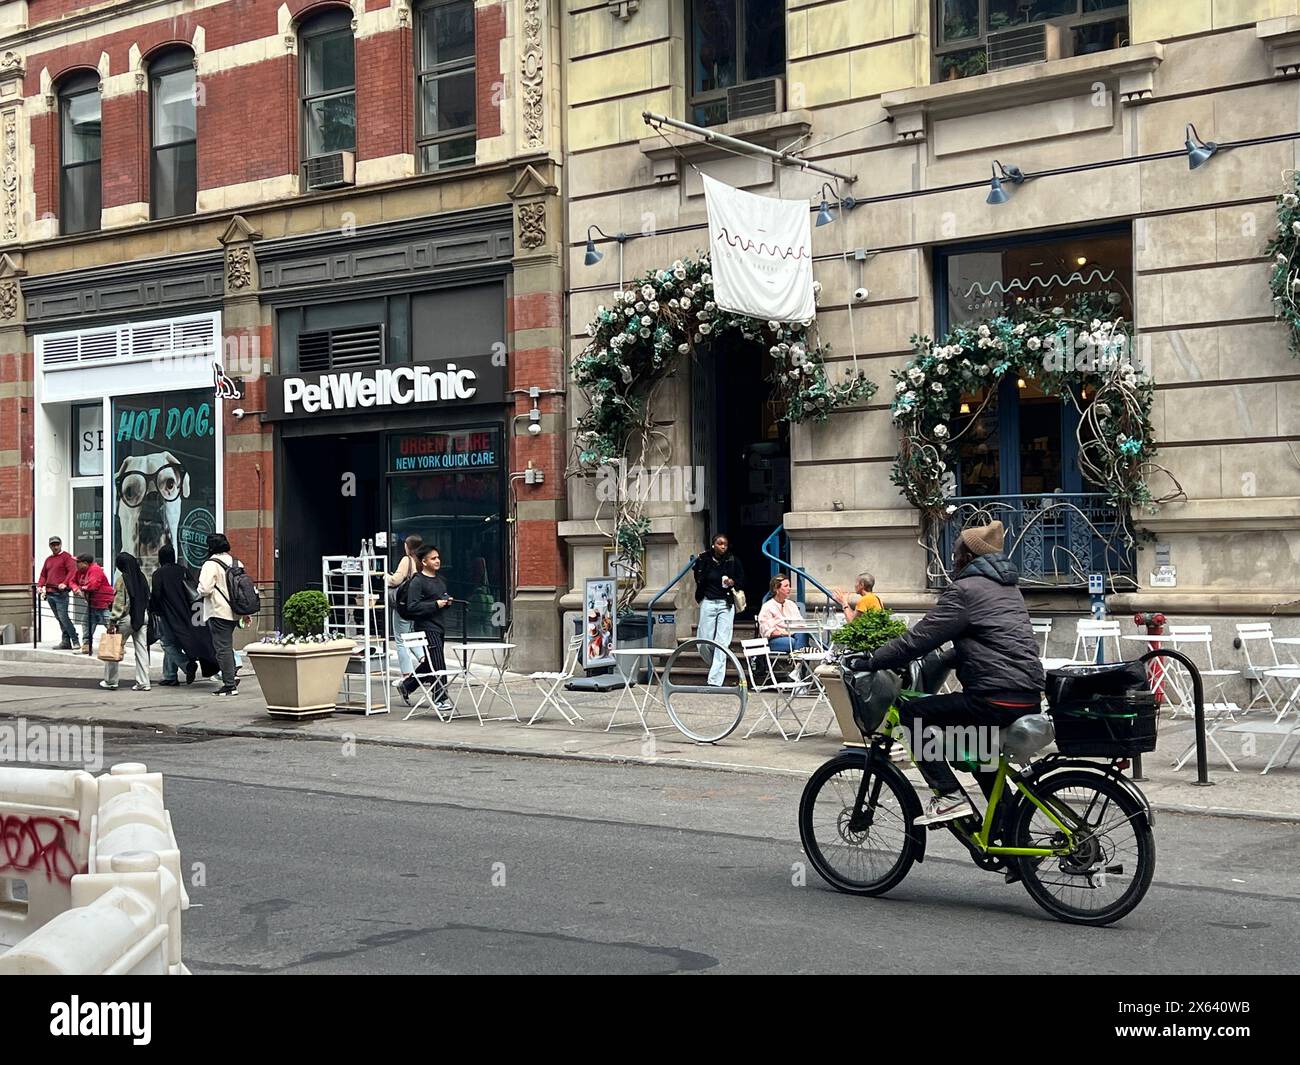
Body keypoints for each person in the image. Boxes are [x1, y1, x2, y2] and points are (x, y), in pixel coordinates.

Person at [856, 520, 1044, 826]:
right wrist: (947, 659)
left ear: (967, 557)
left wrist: (873, 660)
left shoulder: (965, 590)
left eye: (955, 551)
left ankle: (948, 796)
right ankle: (1010, 834)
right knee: (982, 754)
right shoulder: (1008, 589)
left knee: (911, 713)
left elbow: (918, 639)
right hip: (1025, 695)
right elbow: (994, 641)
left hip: (992, 698)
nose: (952, 558)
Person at [149, 545, 220, 686]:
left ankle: (186, 665)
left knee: (168, 643)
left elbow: (156, 596)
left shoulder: (159, 574)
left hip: (167, 615)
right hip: (188, 614)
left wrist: (153, 610)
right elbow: (193, 591)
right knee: (176, 643)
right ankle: (170, 675)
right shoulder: (183, 570)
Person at [398, 544, 454, 712]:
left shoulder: (440, 580)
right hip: (426, 627)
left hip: (439, 625)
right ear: (424, 561)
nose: (437, 561)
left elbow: (440, 601)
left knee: (431, 662)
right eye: (433, 558)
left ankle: (407, 686)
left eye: (438, 557)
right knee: (438, 662)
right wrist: (435, 604)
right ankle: (440, 698)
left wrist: (446, 603)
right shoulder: (417, 581)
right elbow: (412, 607)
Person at [692, 533, 745, 686]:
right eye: (720, 543)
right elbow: (697, 575)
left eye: (725, 544)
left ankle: (714, 681)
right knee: (703, 643)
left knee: (722, 642)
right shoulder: (704, 559)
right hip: (708, 601)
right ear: (713, 545)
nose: (723, 546)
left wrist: (732, 582)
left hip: (725, 604)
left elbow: (742, 580)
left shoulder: (733, 560)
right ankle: (717, 666)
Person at [100, 552, 151, 692]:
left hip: (127, 618)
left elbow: (119, 604)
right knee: (141, 650)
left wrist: (112, 621)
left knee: (114, 646)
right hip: (142, 616)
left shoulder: (122, 580)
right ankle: (143, 682)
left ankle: (111, 681)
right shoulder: (141, 577)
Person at [197, 533, 240, 696]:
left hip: (218, 611)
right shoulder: (236, 562)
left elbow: (205, 589)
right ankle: (231, 677)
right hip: (235, 611)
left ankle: (229, 684)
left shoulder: (210, 564)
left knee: (222, 649)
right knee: (226, 647)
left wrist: (198, 590)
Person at [386, 534, 423, 688]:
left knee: (401, 640)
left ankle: (406, 675)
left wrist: (384, 576)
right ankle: (424, 661)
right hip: (414, 603)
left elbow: (396, 580)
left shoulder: (406, 560)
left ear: (409, 546)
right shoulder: (421, 561)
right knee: (410, 636)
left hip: (403, 604)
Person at [36, 536, 80, 649]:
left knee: (63, 617)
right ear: (49, 546)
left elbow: (72, 571)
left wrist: (65, 583)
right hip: (50, 593)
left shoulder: (66, 557)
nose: (55, 547)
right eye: (53, 545)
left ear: (61, 544)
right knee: (60, 618)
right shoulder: (48, 560)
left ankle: (75, 640)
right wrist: (40, 586)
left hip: (61, 593)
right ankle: (66, 642)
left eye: (57, 544)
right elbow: (43, 575)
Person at [70, 554, 114, 655]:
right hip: (93, 603)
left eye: (78, 562)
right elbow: (72, 581)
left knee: (110, 624)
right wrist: (75, 588)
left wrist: (81, 588)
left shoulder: (95, 569)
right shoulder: (80, 572)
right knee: (86, 622)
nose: (76, 564)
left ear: (85, 563)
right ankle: (86, 645)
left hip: (104, 602)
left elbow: (93, 585)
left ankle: (117, 646)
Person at [758, 574, 810, 656]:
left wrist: (795, 631)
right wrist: (786, 633)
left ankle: (798, 665)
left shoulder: (791, 604)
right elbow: (768, 632)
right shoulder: (768, 607)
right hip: (774, 640)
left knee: (803, 634)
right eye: (786, 586)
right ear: (776, 589)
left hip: (794, 636)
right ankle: (800, 666)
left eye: (789, 586)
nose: (789, 588)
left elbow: (801, 624)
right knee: (796, 643)